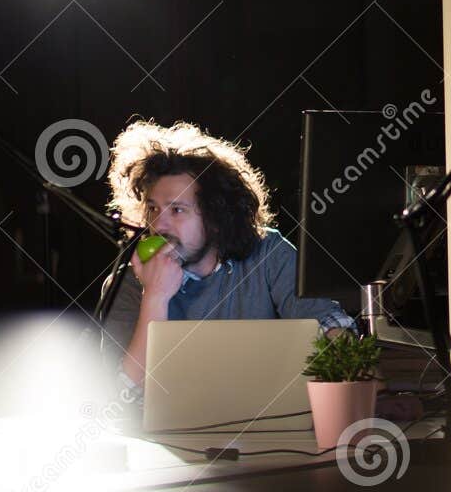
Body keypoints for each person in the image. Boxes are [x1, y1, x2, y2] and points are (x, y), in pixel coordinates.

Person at [99, 119, 355, 392]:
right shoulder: (128, 279)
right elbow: (120, 395)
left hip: (270, 428)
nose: (158, 225)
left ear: (215, 217)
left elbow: (331, 324)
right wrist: (155, 297)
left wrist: (351, 369)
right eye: (152, 208)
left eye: (176, 210)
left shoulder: (268, 254)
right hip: (162, 435)